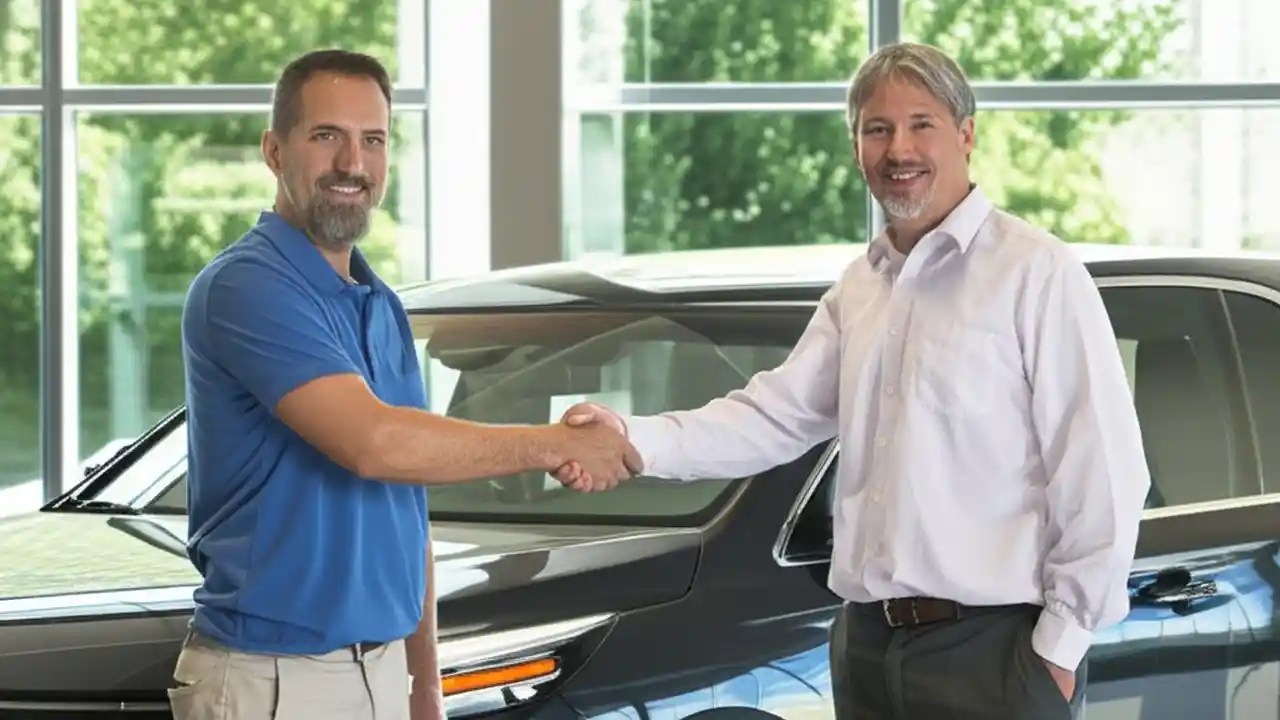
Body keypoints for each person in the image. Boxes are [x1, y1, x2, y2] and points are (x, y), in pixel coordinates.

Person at [555, 42, 1149, 720]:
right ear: (857, 147)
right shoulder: (862, 287)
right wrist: (633, 440)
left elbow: (1102, 471)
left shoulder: (1035, 273)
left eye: (921, 123)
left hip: (996, 652)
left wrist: (1057, 652)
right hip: (867, 647)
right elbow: (773, 416)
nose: (899, 149)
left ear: (966, 133)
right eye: (877, 129)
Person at [172, 48, 638, 720]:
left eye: (374, 140)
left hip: (383, 675)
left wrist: (425, 687)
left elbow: (405, 505)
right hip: (274, 684)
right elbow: (375, 443)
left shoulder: (378, 302)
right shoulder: (247, 286)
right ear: (275, 151)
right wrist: (552, 444)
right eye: (326, 136)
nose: (352, 165)